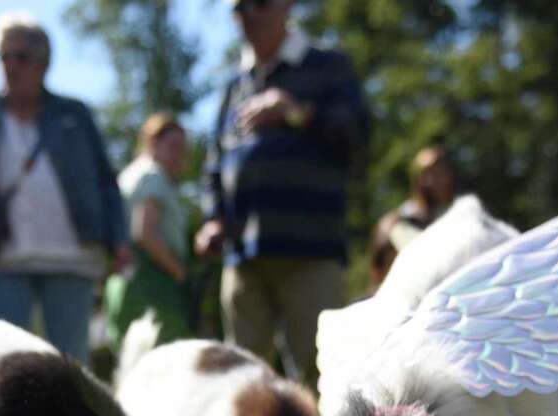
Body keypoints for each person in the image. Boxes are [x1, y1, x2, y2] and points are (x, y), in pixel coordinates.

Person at [196, 0, 370, 387]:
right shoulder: (233, 86)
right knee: (239, 383)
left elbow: (357, 137)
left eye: (261, 4)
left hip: (311, 250)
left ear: (287, 6)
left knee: (322, 376)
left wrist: (295, 112)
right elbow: (212, 167)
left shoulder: (328, 65)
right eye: (240, 8)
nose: (251, 16)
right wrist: (212, 218)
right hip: (244, 258)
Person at [0, 12, 128, 364]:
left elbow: (105, 180)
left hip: (71, 257)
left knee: (71, 367)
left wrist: (118, 238)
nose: (11, 66)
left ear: (43, 63)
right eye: (4, 57)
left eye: (21, 57)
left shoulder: (75, 115)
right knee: (4, 365)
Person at [104, 113, 193, 351]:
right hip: (152, 285)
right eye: (174, 146)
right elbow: (144, 232)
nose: (180, 156)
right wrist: (179, 273)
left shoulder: (129, 175)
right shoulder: (153, 175)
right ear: (153, 143)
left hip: (124, 282)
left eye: (183, 150)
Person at [370, 144, 457, 286]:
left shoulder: (456, 223)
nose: (431, 181)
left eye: (439, 172)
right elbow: (379, 272)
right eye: (426, 173)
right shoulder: (395, 223)